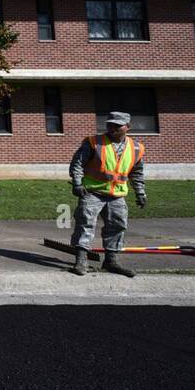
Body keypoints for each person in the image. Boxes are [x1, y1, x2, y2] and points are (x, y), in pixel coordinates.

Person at [68, 110, 148, 277]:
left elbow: (137, 173)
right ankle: (81, 261)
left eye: (117, 126)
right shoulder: (94, 142)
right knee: (85, 223)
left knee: (117, 226)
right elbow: (77, 164)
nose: (112, 128)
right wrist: (77, 183)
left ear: (128, 127)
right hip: (92, 192)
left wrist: (140, 192)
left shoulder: (136, 148)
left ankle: (112, 261)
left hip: (117, 195)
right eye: (110, 125)